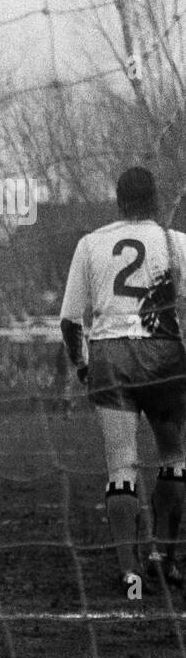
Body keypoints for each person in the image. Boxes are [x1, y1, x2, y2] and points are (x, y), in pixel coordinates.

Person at [61, 167, 186, 591]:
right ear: (155, 200)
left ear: (118, 201)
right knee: (175, 457)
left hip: (110, 356)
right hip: (164, 353)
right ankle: (165, 558)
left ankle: (130, 572)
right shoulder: (176, 243)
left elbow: (70, 319)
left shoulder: (91, 243)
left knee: (121, 464)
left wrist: (84, 368)